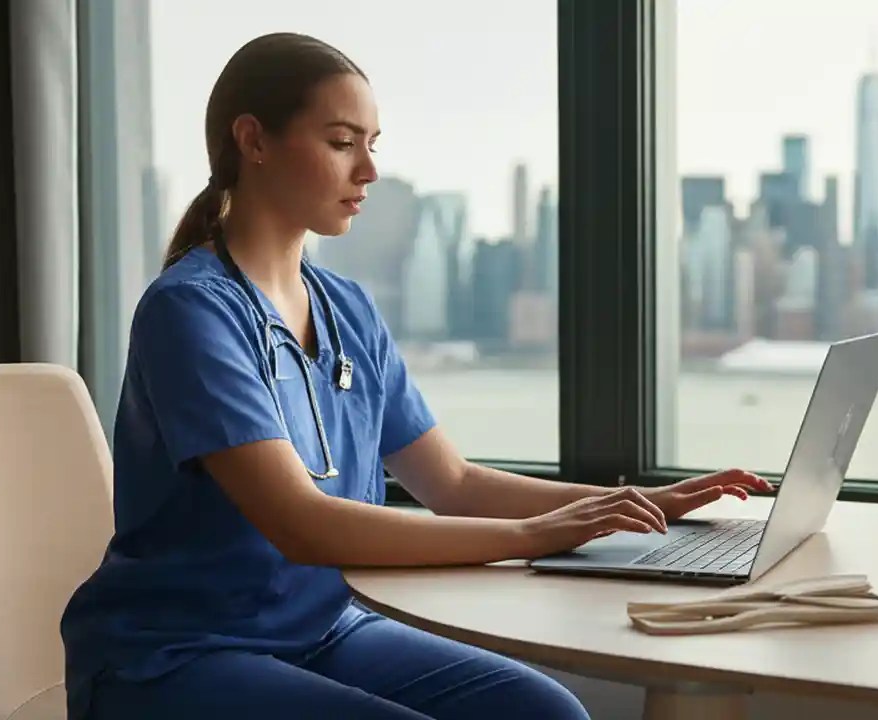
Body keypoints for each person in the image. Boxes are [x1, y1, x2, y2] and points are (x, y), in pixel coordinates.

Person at [60, 32, 773, 720]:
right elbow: (303, 525)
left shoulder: (349, 309)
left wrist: (634, 503)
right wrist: (537, 535)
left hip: (322, 633)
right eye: (342, 143)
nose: (367, 170)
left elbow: (452, 485)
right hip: (175, 655)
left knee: (545, 710)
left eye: (372, 146)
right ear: (253, 141)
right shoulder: (190, 312)